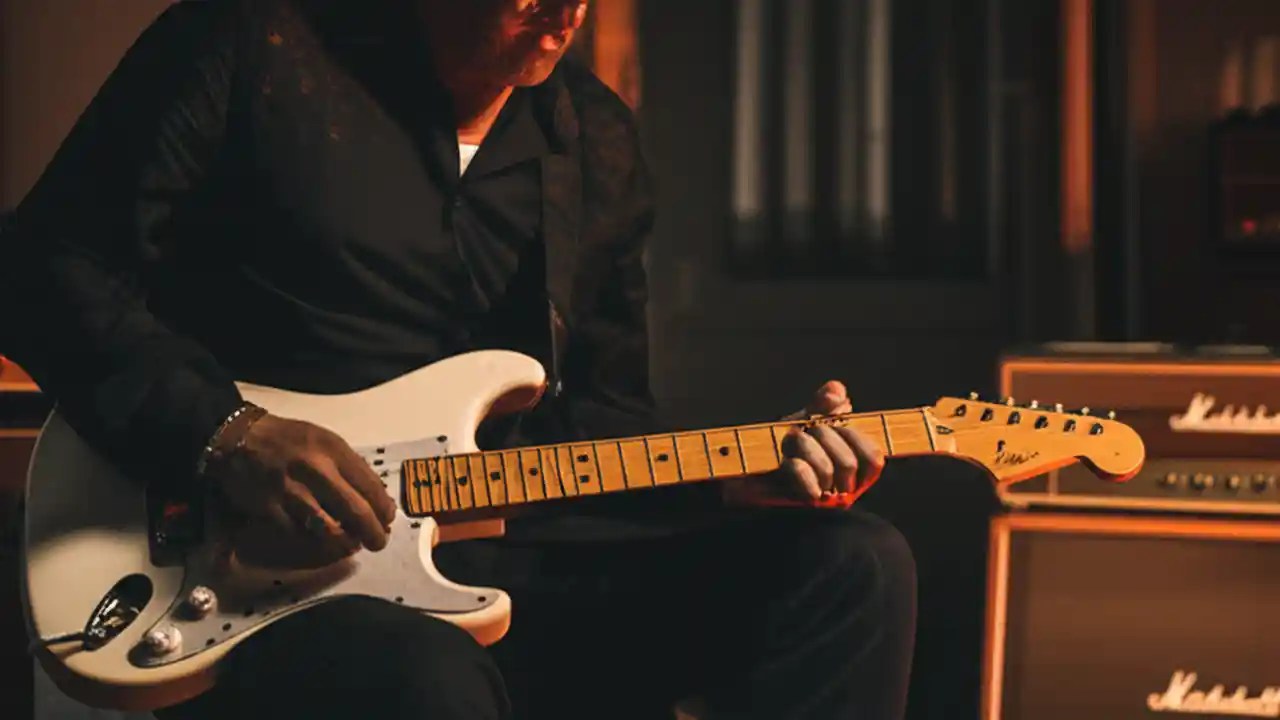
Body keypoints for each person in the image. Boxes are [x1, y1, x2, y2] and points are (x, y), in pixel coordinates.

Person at [1, 1, 917, 718]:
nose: (564, 12)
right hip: (263, 572)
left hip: (514, 562)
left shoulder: (592, 142)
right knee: (419, 677)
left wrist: (726, 483)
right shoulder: (250, 49)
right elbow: (40, 267)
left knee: (853, 567)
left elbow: (603, 421)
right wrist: (225, 435)